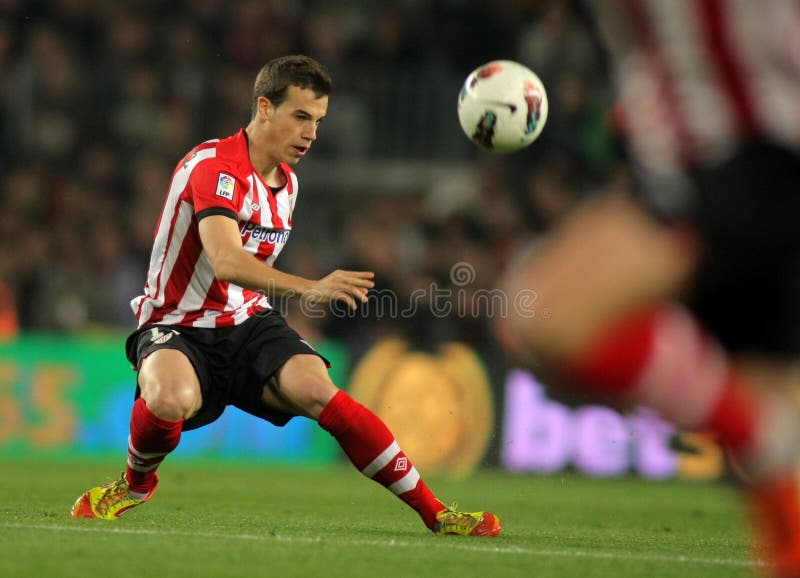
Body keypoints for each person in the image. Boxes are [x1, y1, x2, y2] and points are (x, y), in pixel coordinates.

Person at [70, 55, 501, 538]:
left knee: (321, 391)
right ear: (264, 108)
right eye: (301, 116)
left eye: (318, 121)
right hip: (177, 324)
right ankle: (134, 484)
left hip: (248, 323)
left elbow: (248, 277)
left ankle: (437, 513)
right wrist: (312, 288)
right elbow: (228, 261)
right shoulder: (214, 167)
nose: (311, 134)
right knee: (170, 397)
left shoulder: (287, 183)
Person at [498, 1, 800, 575]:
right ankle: (769, 439)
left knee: (544, 310)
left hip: (743, 154)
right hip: (699, 164)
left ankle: (768, 434)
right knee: (775, 491)